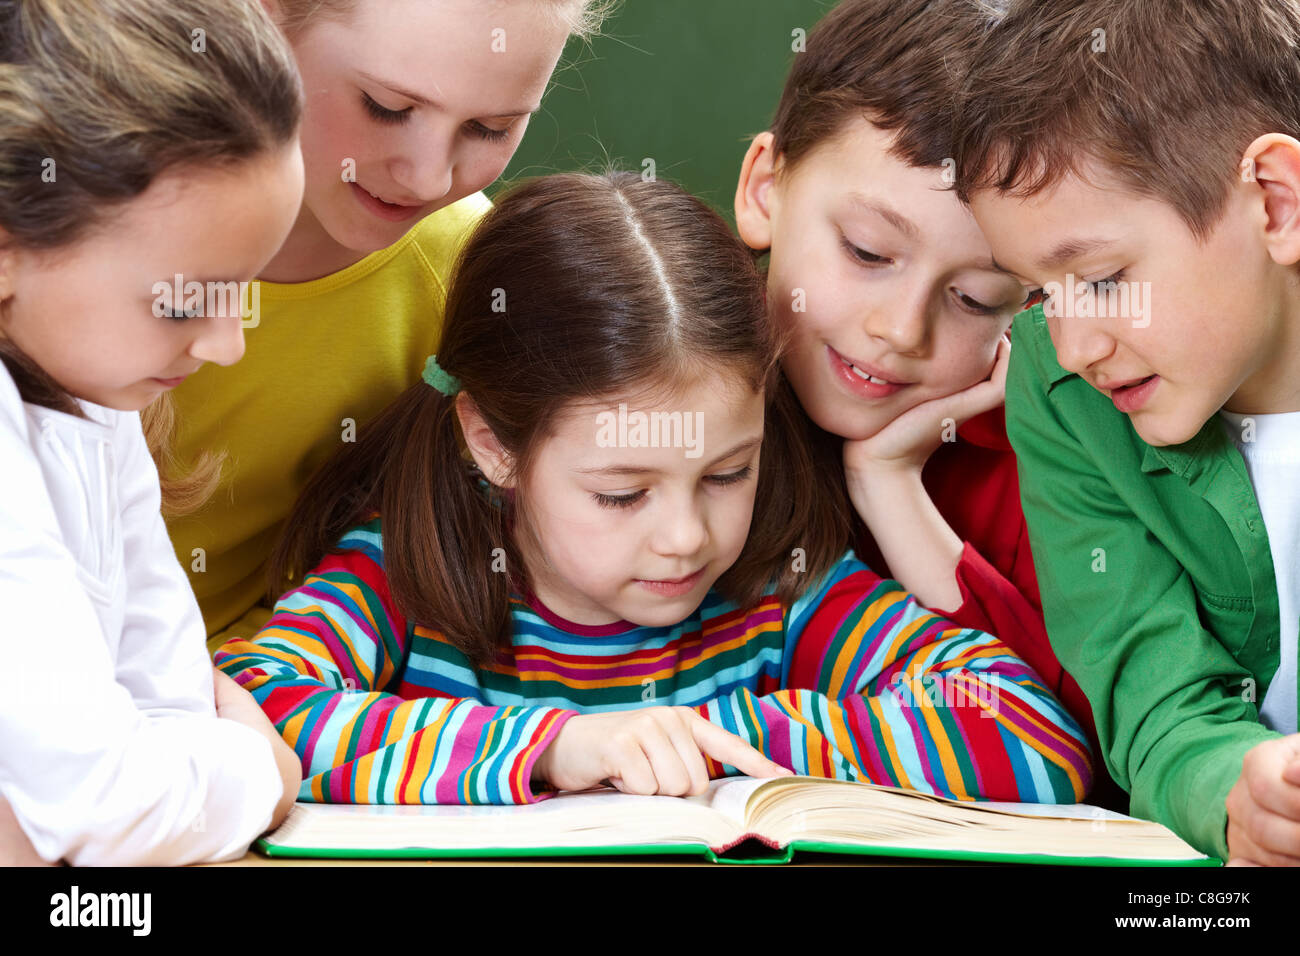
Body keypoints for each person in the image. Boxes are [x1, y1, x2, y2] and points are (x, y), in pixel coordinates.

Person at [215, 171, 1092, 805]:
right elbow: (245, 717)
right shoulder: (404, 574)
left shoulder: (776, 582)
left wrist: (721, 741)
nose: (685, 537)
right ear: (493, 443)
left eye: (726, 474)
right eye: (622, 494)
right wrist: (559, 747)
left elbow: (1028, 728)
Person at [732, 0, 1119, 807]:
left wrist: (891, 489)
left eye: (977, 299)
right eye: (868, 252)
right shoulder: (644, 375)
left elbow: (1074, 745)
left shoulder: (1050, 463)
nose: (900, 330)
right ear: (766, 189)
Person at [951, 0, 1300, 864]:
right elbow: (1152, 689)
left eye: (1103, 280)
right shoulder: (1063, 389)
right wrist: (1236, 793)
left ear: (1276, 202)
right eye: (1037, 292)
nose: (1072, 345)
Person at [164, 0, 616, 653]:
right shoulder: (85, 201)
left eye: (491, 127)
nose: (429, 175)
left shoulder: (469, 282)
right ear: (260, 21)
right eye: (386, 107)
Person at [0, 0, 306, 865]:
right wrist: (260, 776)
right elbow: (114, 811)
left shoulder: (97, 396)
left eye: (245, 289)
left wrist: (178, 784)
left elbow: (166, 710)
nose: (226, 344)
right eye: (185, 299)